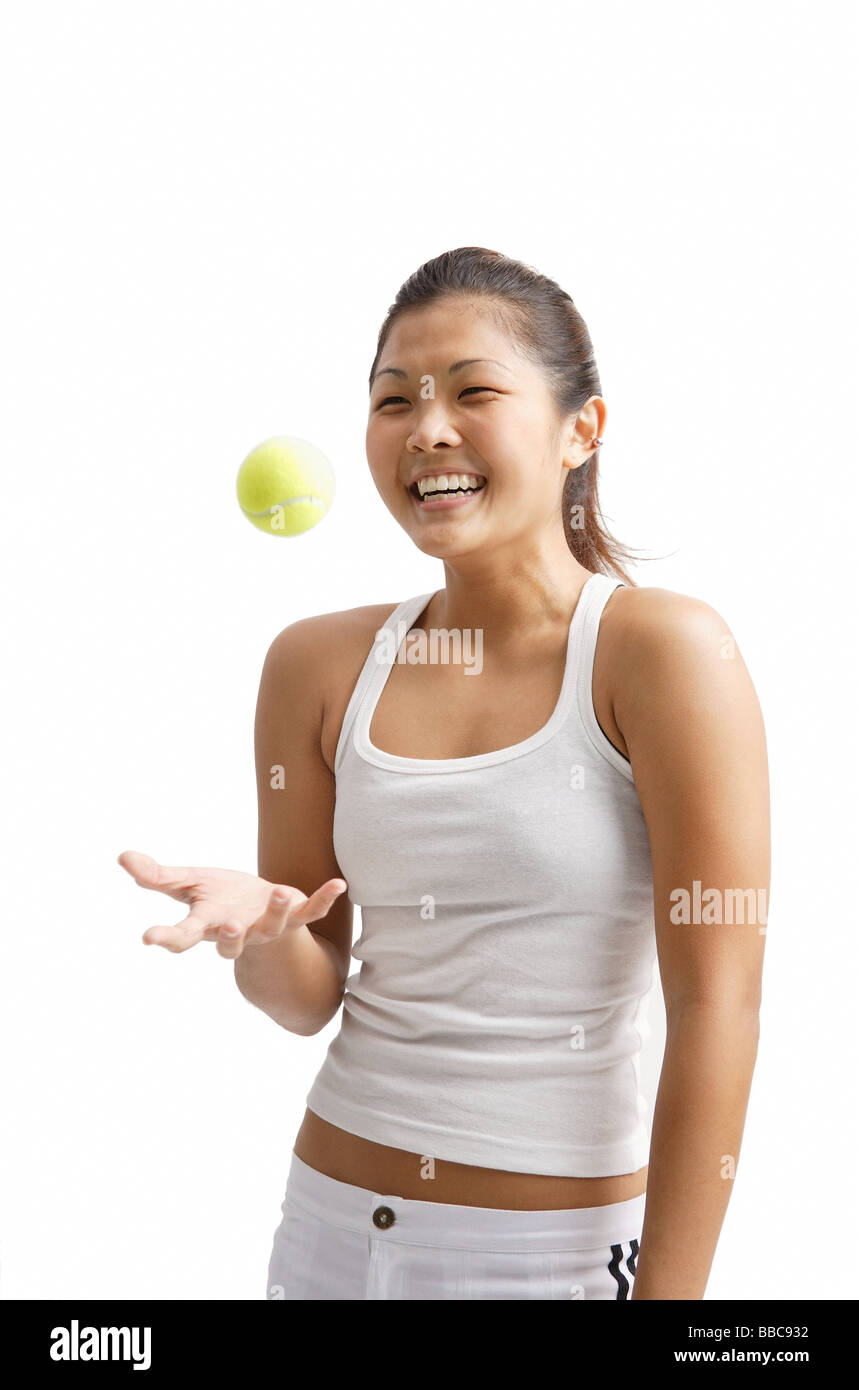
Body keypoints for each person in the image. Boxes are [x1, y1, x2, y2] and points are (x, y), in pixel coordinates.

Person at [118, 247, 769, 1300]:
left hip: (547, 1260)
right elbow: (308, 998)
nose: (425, 428)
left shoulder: (662, 652)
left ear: (581, 430)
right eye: (393, 399)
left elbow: (719, 1006)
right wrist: (266, 934)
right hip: (326, 1231)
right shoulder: (313, 665)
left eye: (473, 391)